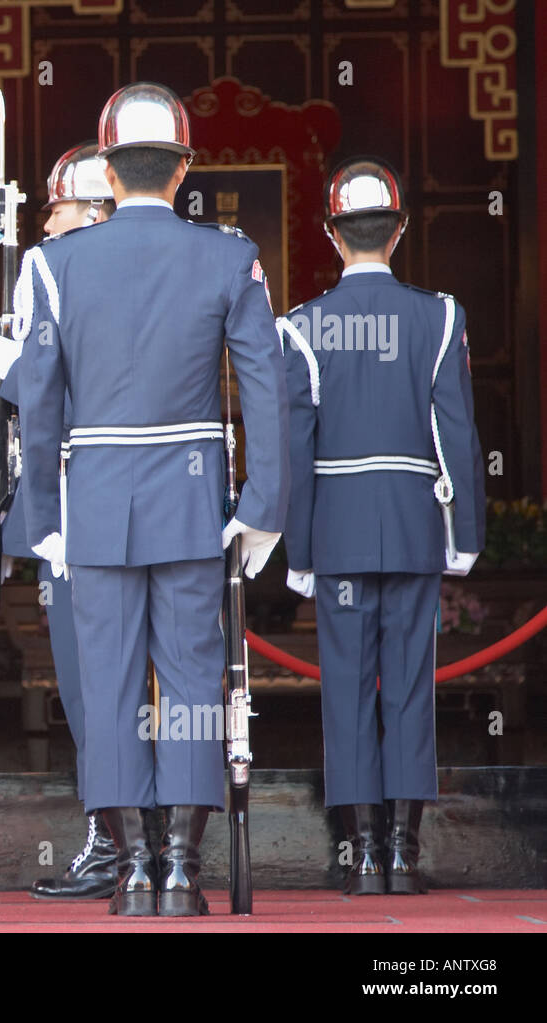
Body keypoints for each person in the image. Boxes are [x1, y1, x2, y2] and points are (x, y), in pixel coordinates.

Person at [13, 83, 290, 916]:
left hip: (94, 501)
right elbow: (265, 388)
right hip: (193, 499)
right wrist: (263, 504)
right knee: (195, 683)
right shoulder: (228, 255)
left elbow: (40, 405)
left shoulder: (52, 264)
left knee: (108, 686)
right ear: (182, 170)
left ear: (107, 165)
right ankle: (181, 867)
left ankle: (132, 869)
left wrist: (44, 520)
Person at [279, 158, 484, 895]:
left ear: (333, 235)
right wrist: (463, 533)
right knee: (408, 687)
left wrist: (297, 548)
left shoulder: (301, 327)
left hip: (336, 529)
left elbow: (295, 451)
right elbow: (454, 433)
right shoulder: (440, 316)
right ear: (398, 231)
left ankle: (361, 856)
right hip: (413, 523)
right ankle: (403, 850)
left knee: (345, 687)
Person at [0, 142, 119, 900]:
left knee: (87, 681)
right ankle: (149, 839)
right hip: (147, 507)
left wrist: (14, 372)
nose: (48, 219)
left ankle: (112, 835)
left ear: (96, 206)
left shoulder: (52, 269)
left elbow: (53, 397)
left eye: (58, 206)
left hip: (75, 505)